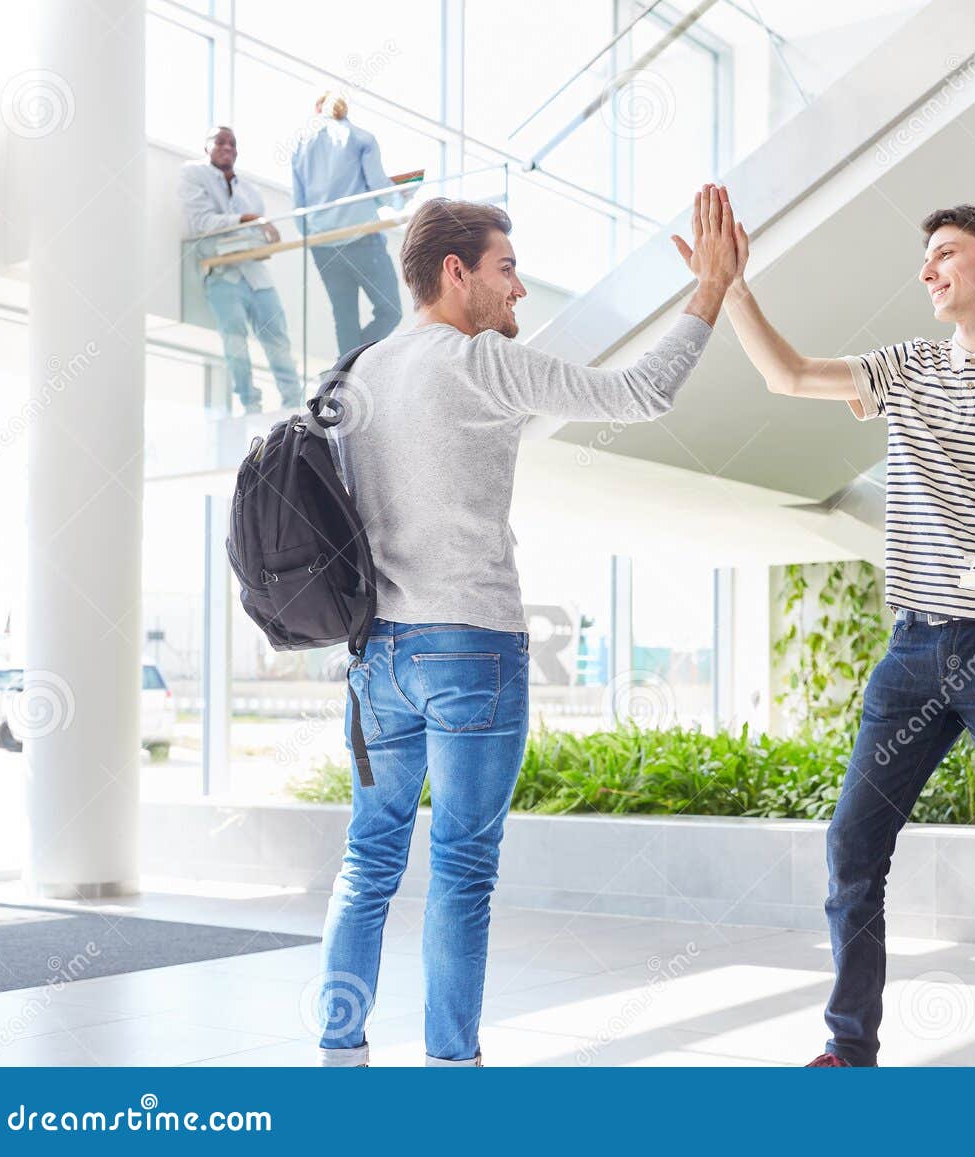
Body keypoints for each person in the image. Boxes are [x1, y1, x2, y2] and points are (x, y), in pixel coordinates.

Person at [316, 186, 739, 1067]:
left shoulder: (352, 374)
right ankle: (451, 1073)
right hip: (470, 645)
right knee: (462, 871)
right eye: (507, 269)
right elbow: (643, 392)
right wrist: (711, 290)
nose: (518, 291)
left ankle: (338, 1058)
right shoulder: (479, 363)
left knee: (366, 863)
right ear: (454, 270)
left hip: (377, 658)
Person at [706, 197, 975, 1067]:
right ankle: (849, 1048)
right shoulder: (908, 366)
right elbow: (789, 375)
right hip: (914, 646)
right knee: (853, 842)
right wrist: (734, 290)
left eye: (945, 253)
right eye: (925, 257)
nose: (927, 271)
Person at [178, 126, 303, 413]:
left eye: (232, 143)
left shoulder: (250, 190)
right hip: (222, 275)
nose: (227, 147)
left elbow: (258, 233)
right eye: (220, 141)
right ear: (206, 146)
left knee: (277, 338)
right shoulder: (193, 174)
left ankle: (293, 404)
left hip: (256, 275)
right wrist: (248, 219)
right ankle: (250, 404)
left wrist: (257, 230)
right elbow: (202, 224)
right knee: (235, 339)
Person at [291, 91, 404, 354]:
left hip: (322, 243)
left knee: (344, 318)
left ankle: (344, 370)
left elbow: (298, 202)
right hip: (361, 237)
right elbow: (378, 189)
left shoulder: (300, 146)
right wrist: (400, 196)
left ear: (317, 110)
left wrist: (312, 236)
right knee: (391, 310)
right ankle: (353, 364)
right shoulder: (361, 138)